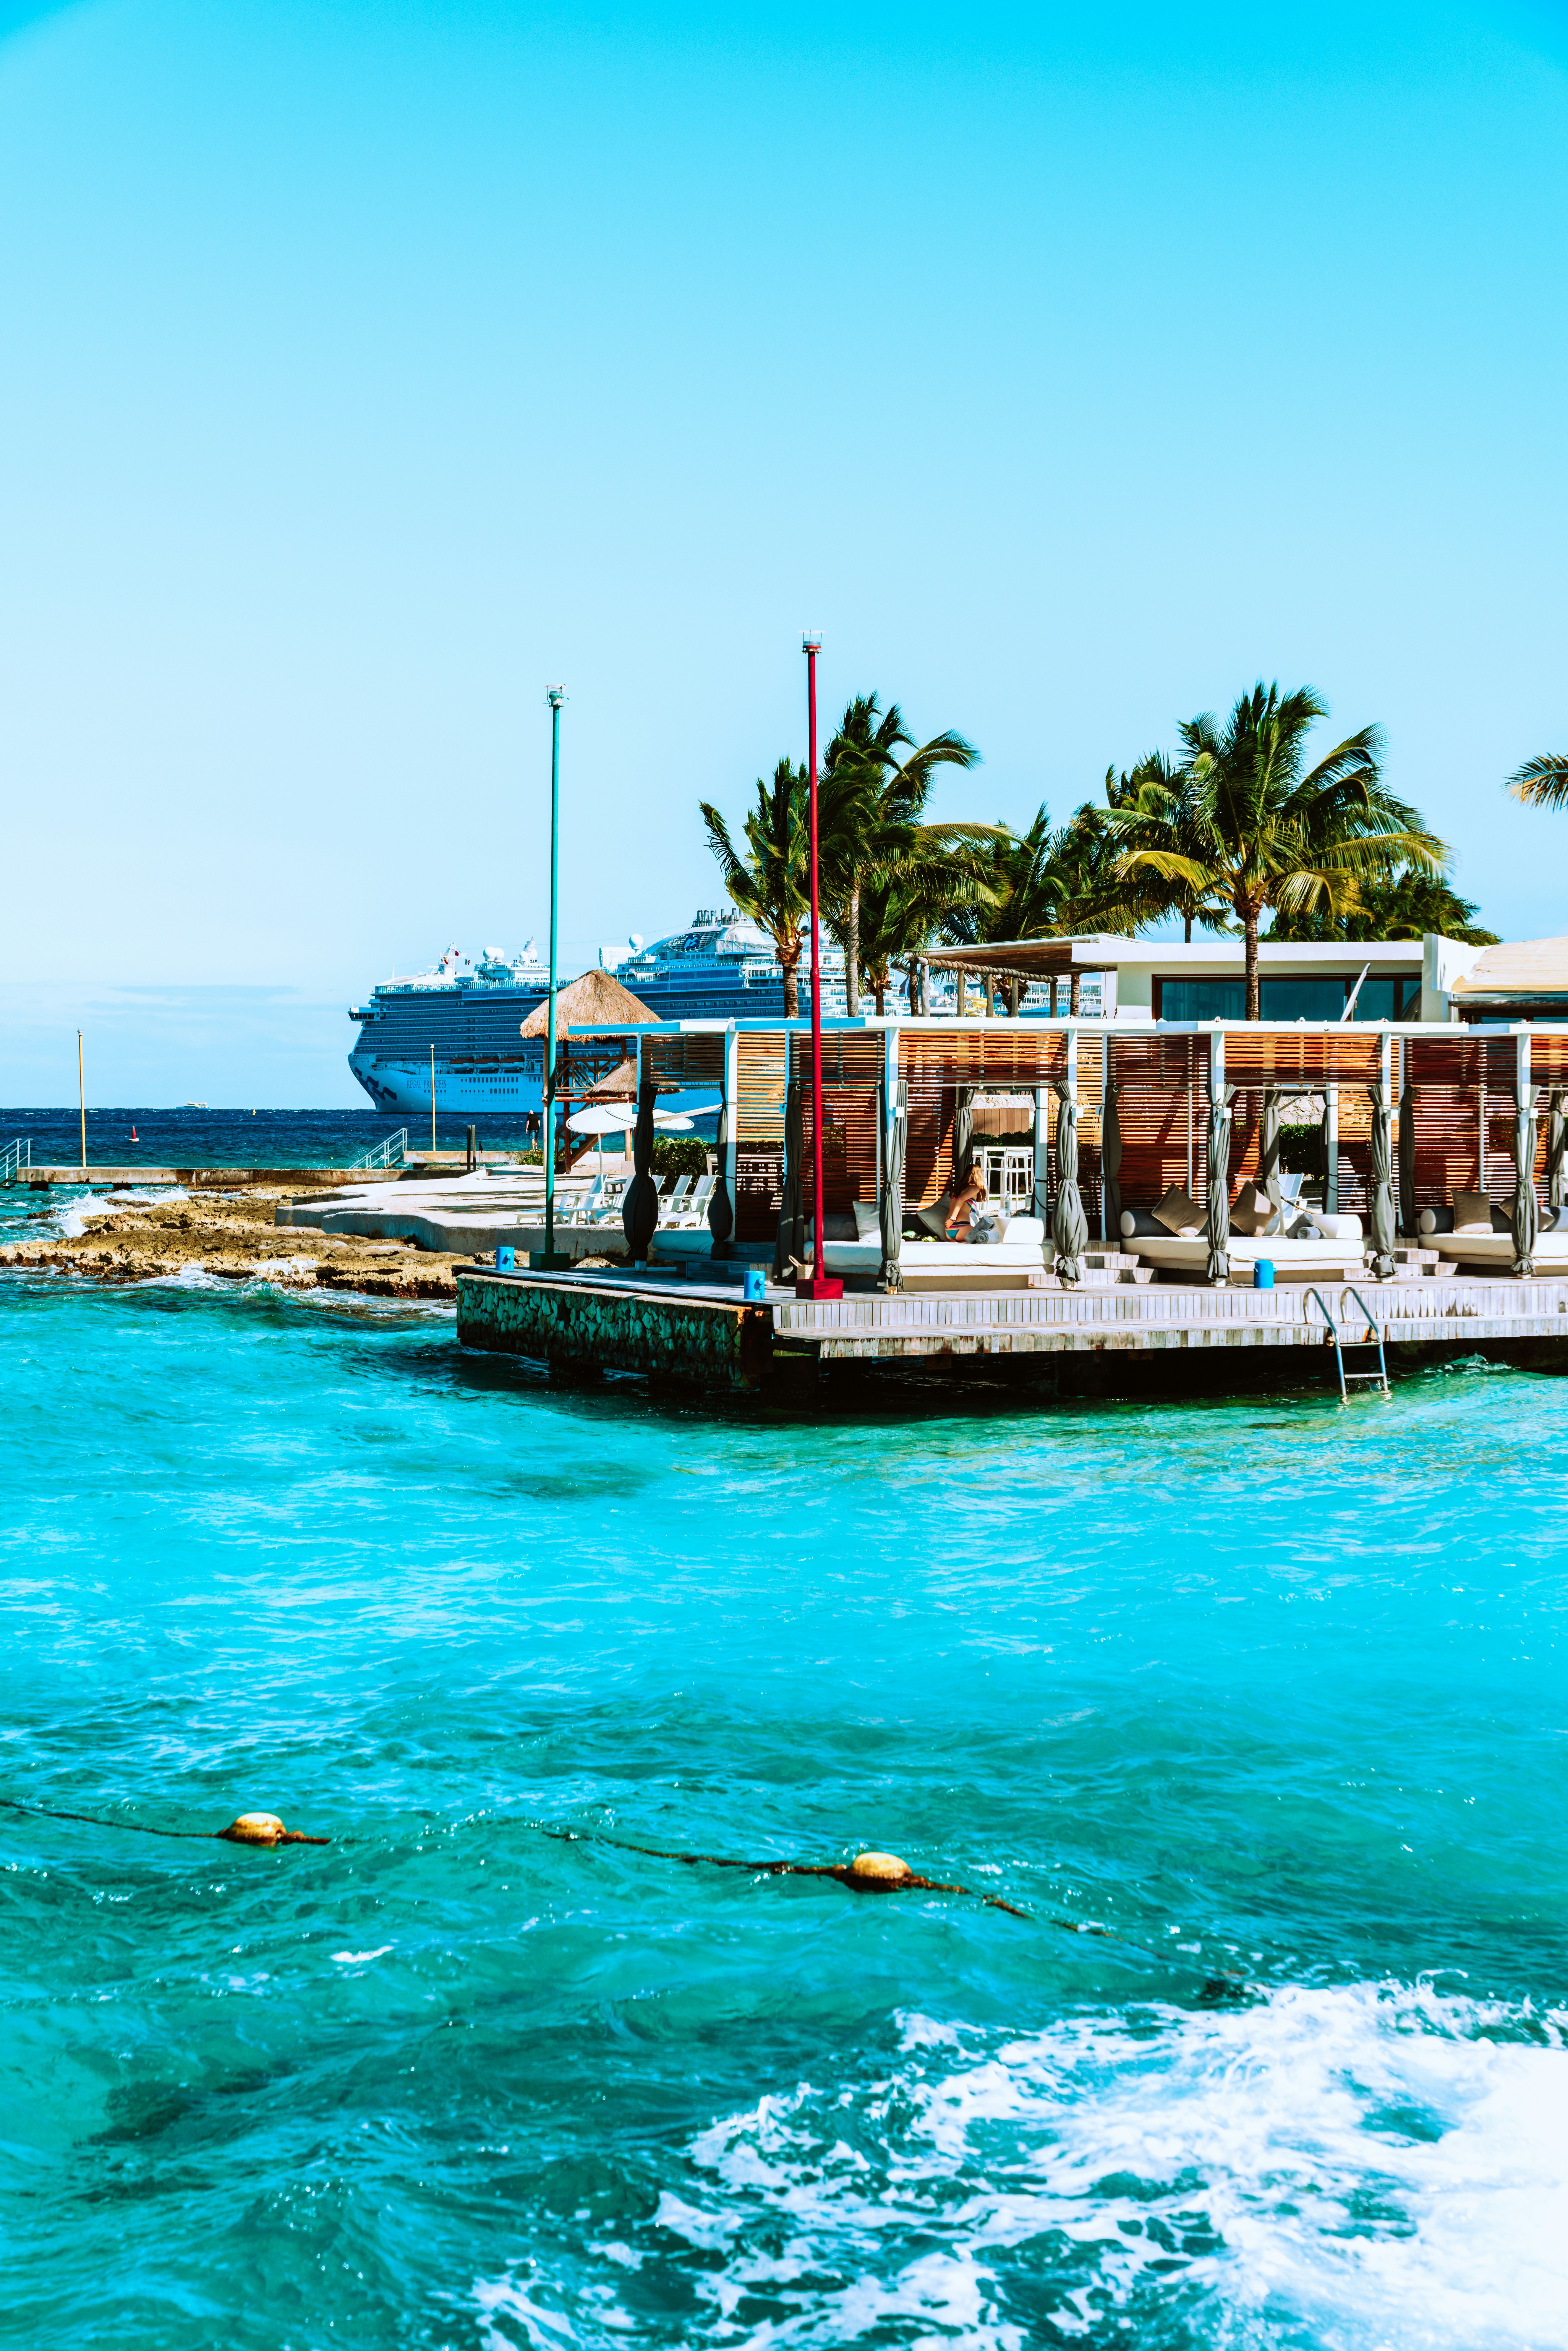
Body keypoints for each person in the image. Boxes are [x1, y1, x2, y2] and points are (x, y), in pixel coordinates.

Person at [945, 1169, 989, 1239]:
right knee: (989, 1233)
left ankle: (958, 1240)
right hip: (962, 1227)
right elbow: (961, 1199)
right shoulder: (974, 1188)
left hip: (949, 1230)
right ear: (978, 1176)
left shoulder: (957, 1190)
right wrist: (952, 1219)